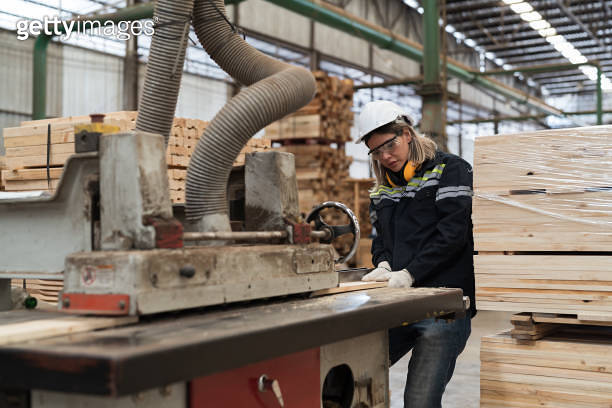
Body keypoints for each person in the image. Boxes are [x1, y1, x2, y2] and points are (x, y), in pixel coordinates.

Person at [356, 100, 476, 408]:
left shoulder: (451, 170)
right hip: (399, 304)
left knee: (419, 402)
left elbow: (452, 234)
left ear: (407, 133)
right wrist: (382, 263)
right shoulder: (382, 187)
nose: (385, 156)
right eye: (376, 152)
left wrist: (410, 273)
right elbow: (379, 236)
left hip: (443, 308)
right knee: (352, 378)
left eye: (389, 145)